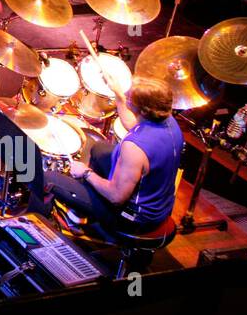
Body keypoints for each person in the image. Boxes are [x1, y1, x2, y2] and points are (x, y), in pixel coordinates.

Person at [37, 76, 184, 234]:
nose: (127, 99)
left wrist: (86, 173)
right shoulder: (168, 121)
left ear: (142, 110)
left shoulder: (133, 148)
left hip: (132, 217)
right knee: (99, 149)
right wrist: (119, 97)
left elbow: (116, 197)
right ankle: (83, 210)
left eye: (130, 99)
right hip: (158, 204)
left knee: (48, 178)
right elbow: (134, 125)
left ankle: (40, 227)